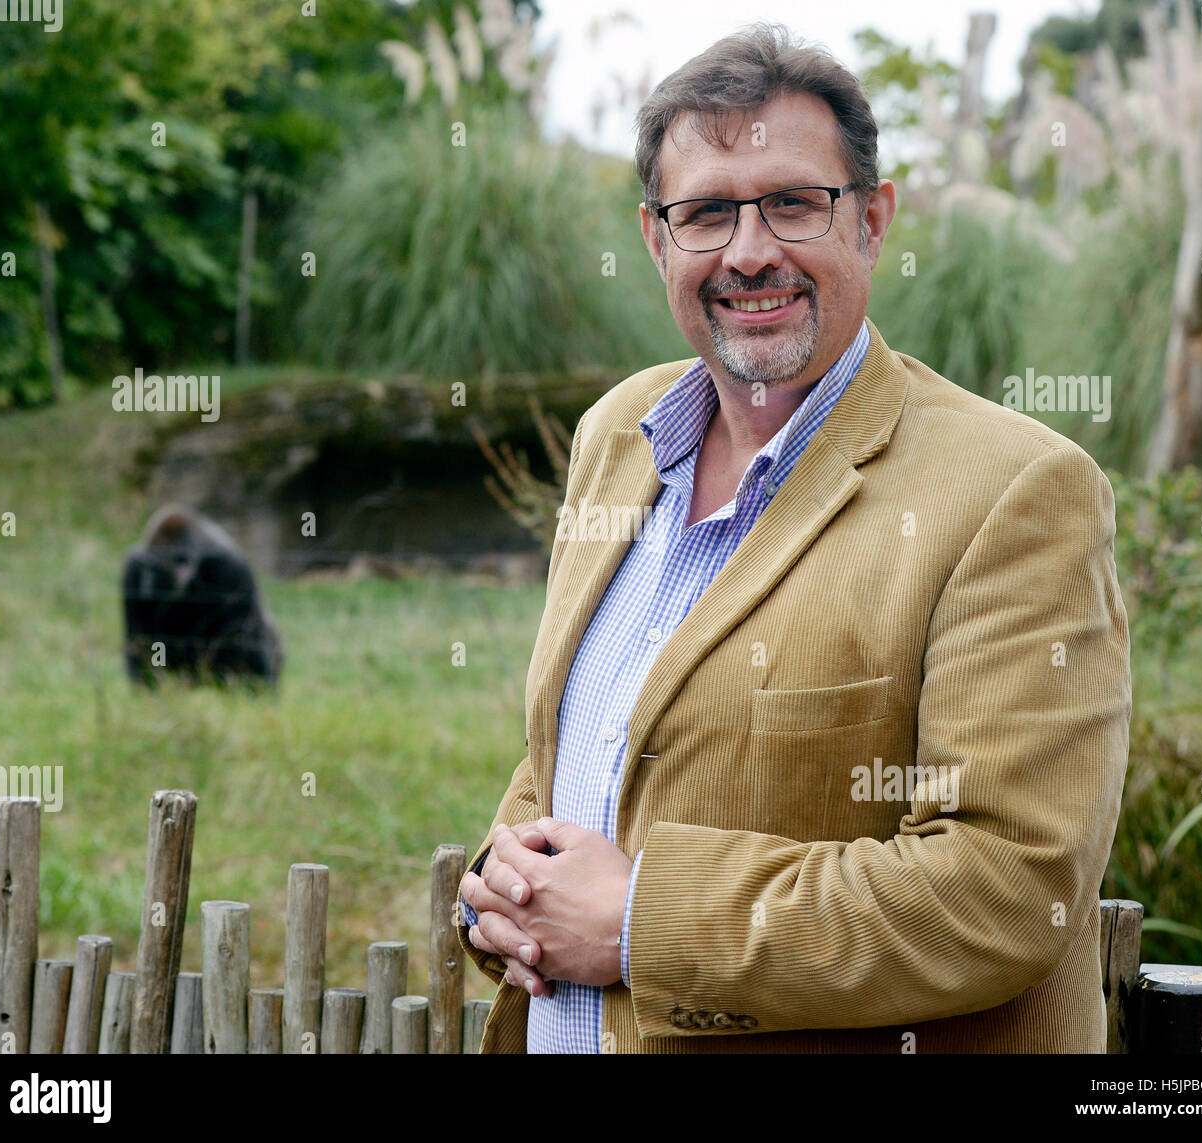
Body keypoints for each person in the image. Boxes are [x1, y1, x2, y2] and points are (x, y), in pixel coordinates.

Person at [457, 21, 1131, 1053]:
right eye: (707, 213)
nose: (749, 250)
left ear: (870, 219)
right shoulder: (615, 439)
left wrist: (641, 920)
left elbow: (1005, 891)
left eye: (791, 203)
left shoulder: (1014, 491)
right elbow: (583, 746)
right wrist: (502, 880)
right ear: (654, 238)